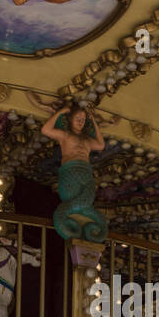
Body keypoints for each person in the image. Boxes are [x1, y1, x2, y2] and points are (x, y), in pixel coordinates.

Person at [41, 104, 107, 243]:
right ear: (70, 119)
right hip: (70, 172)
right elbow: (45, 129)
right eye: (78, 117)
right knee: (78, 200)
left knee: (86, 199)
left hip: (86, 173)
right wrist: (61, 112)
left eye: (83, 119)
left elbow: (101, 145)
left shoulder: (88, 140)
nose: (80, 121)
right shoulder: (65, 135)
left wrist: (93, 121)